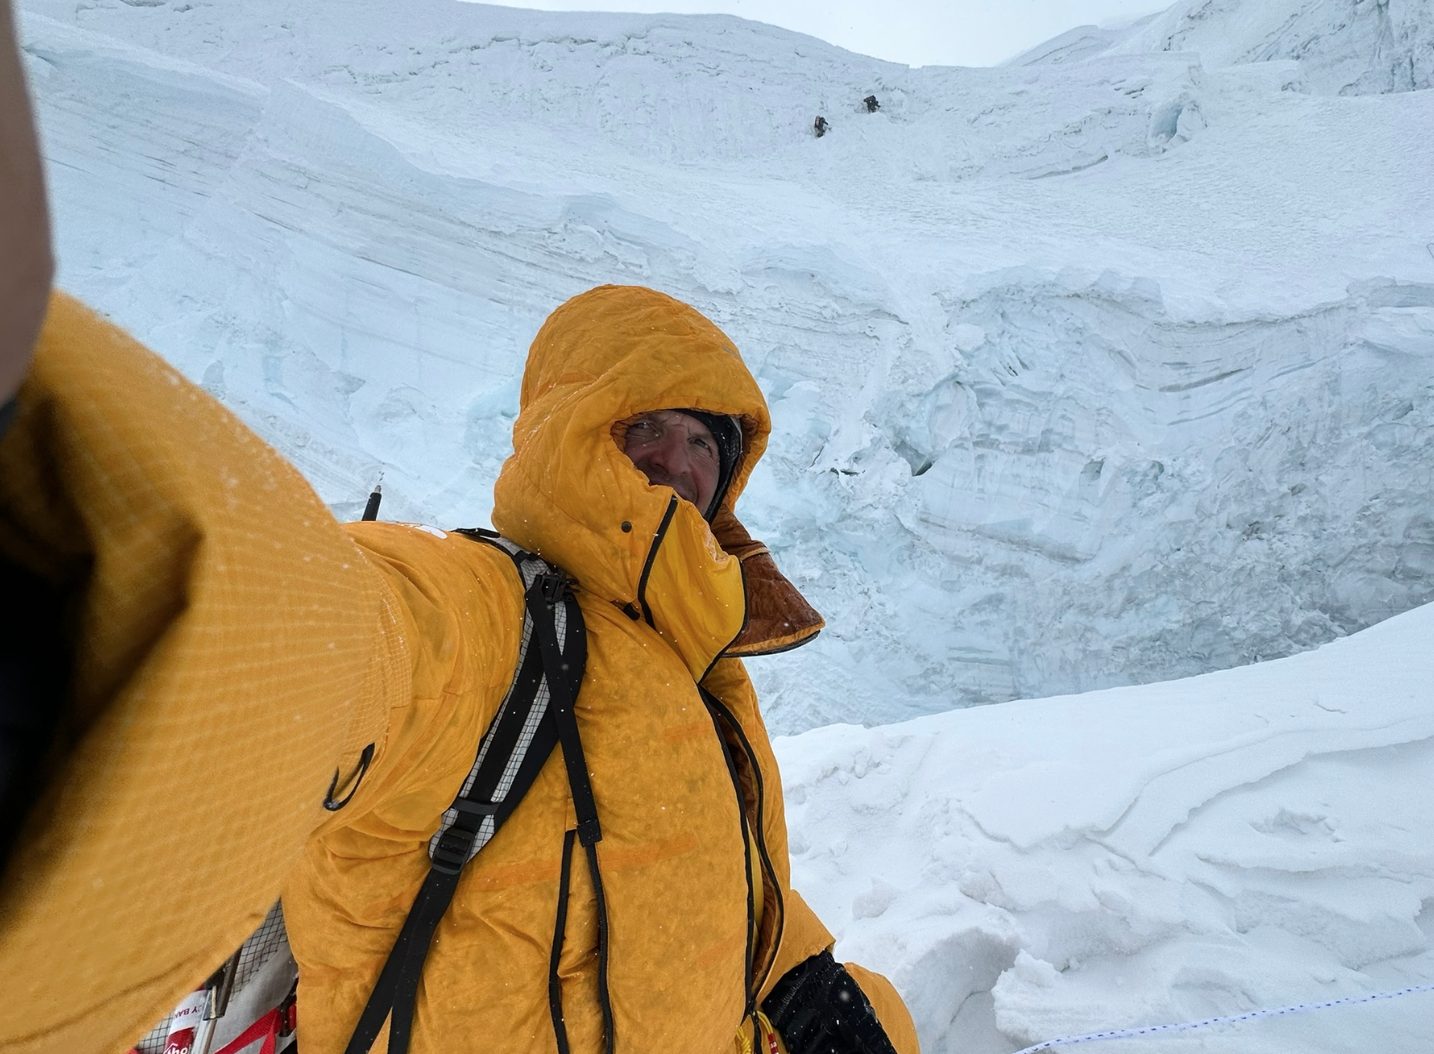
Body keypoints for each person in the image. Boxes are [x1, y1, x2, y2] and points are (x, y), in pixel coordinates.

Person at [0, 3, 920, 1052]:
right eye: (642, 427)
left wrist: (806, 979)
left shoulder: (706, 671)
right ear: (568, 434)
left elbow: (707, 873)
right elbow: (328, 635)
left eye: (703, 441)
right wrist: (92, 598)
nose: (675, 462)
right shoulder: (492, 624)